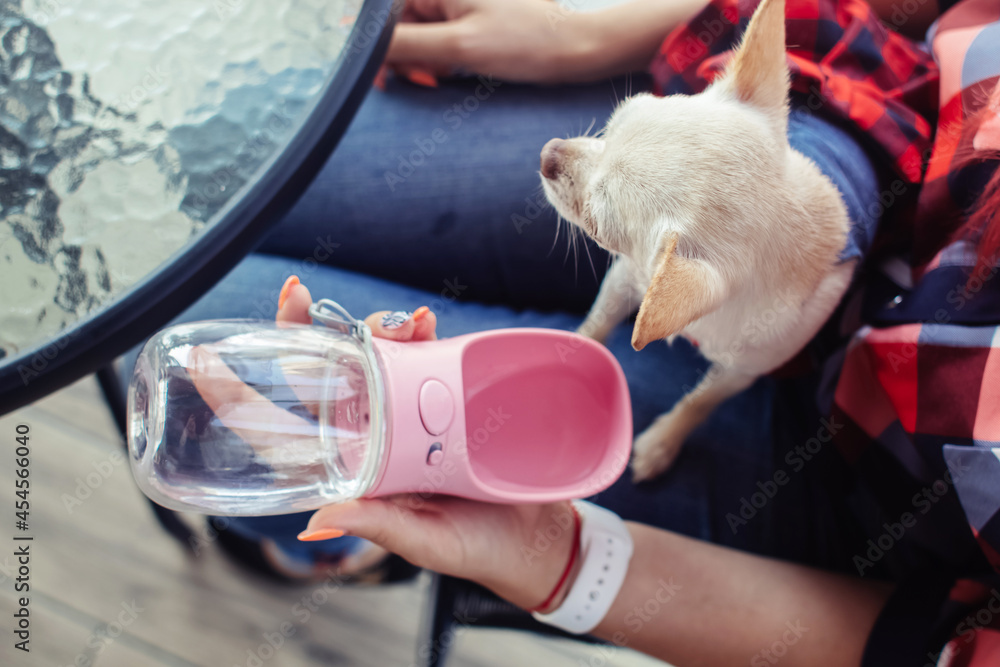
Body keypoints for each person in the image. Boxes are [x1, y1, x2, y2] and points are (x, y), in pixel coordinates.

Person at [125, 0, 1000, 664]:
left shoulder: (711, 303)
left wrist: (558, 558)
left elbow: (924, 643)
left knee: (197, 337)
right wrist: (585, 26)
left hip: (852, 502)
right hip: (822, 127)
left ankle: (346, 559)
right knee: (230, 143)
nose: (555, 157)